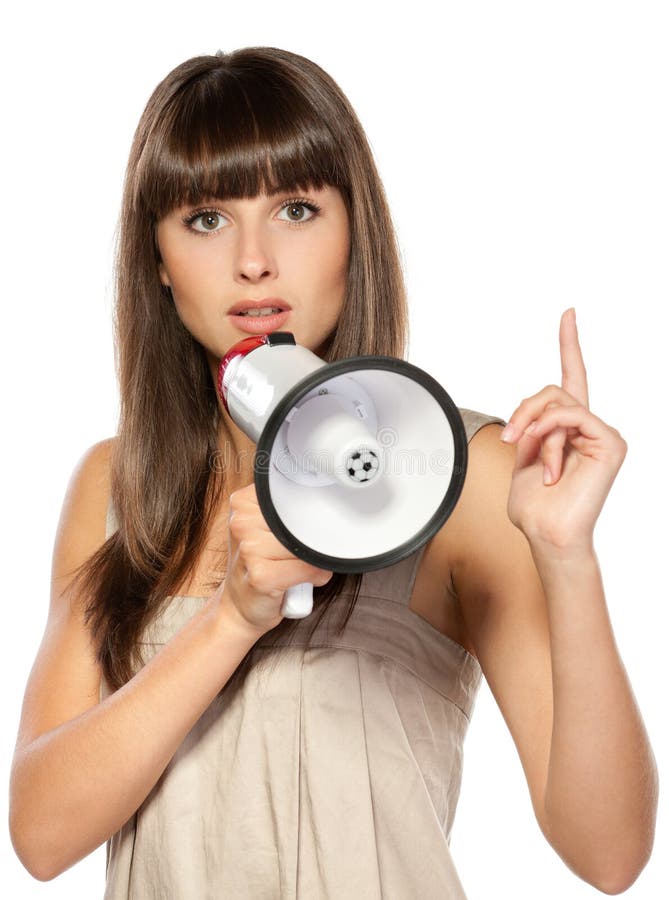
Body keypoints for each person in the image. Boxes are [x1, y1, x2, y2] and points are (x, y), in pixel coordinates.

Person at [9, 47, 658, 898]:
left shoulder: (463, 473)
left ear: (355, 231)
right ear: (157, 259)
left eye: (296, 209)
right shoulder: (116, 486)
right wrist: (231, 618)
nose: (253, 260)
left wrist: (567, 558)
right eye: (205, 218)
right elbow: (41, 836)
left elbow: (608, 856)